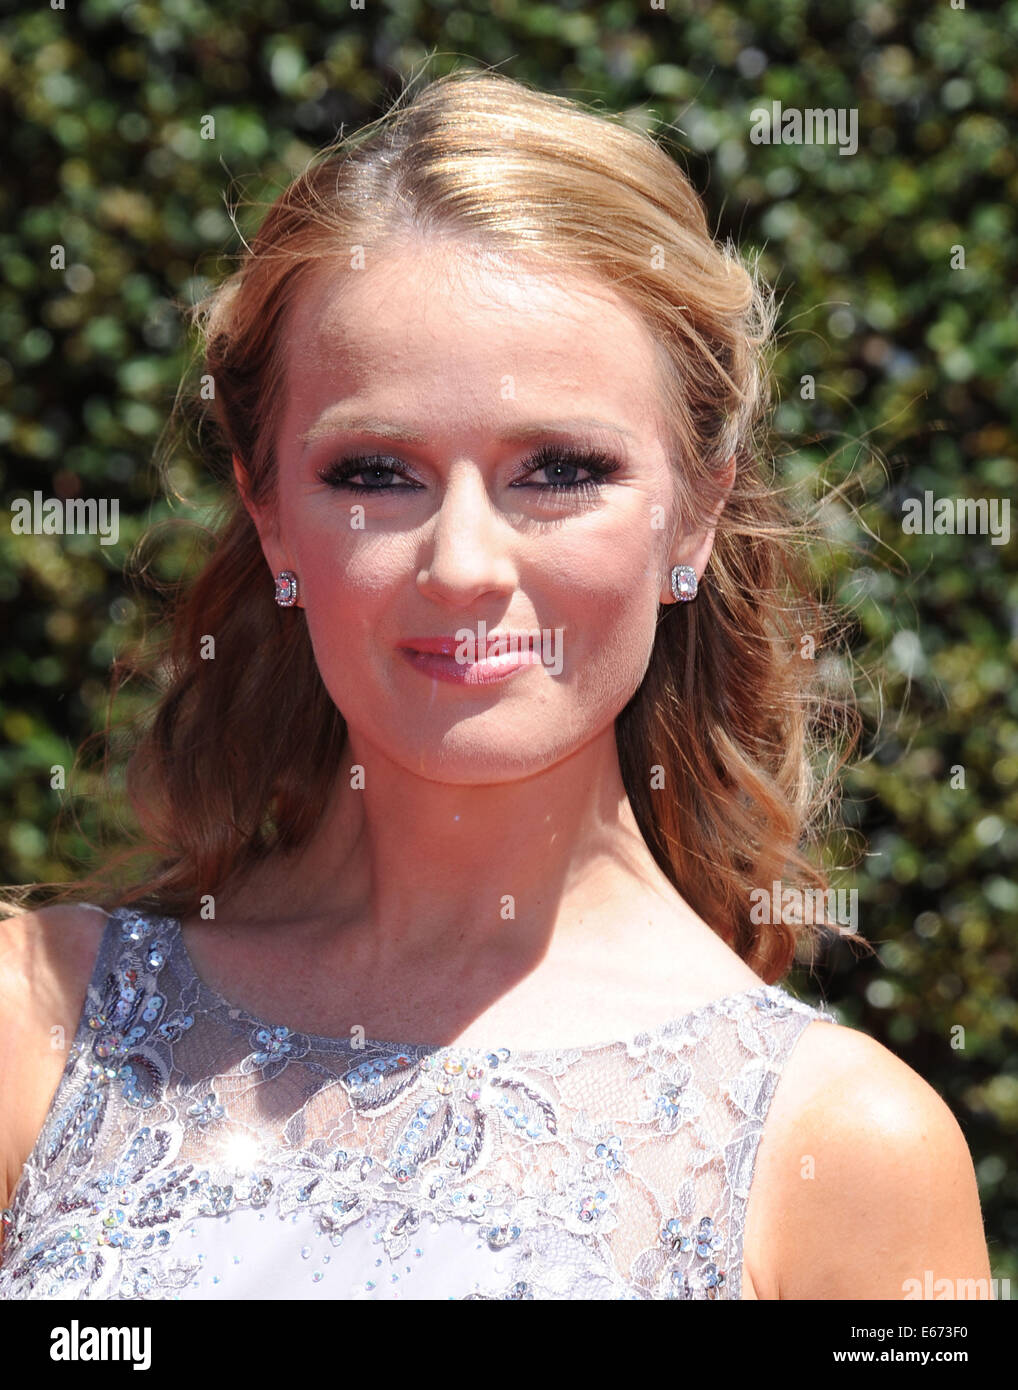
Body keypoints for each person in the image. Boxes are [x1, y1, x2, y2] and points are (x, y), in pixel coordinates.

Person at [0, 69, 989, 1301]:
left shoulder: (850, 1154)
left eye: (559, 470)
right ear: (269, 513)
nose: (464, 564)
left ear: (697, 509)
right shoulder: (31, 1023)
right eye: (376, 472)